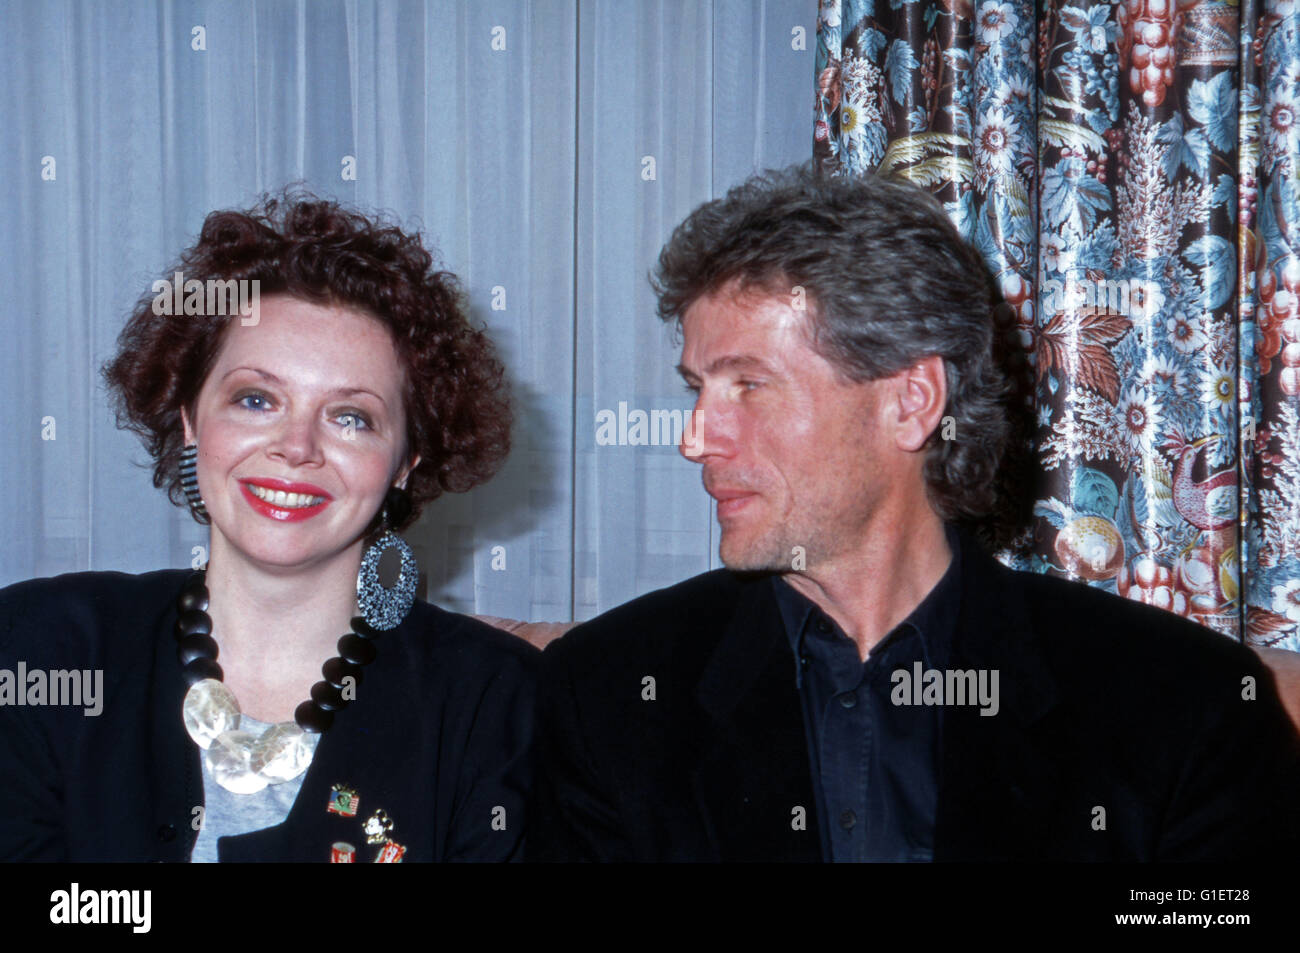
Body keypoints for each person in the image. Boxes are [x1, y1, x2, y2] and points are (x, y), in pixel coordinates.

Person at [528, 164, 1300, 862]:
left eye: (748, 386)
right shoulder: (608, 697)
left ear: (911, 401)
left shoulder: (1181, 707)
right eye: (696, 387)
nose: (696, 437)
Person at [0, 192, 536, 862]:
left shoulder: (494, 702)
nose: (297, 446)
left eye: (351, 416)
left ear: (405, 463)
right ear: (192, 421)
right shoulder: (40, 649)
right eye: (256, 399)